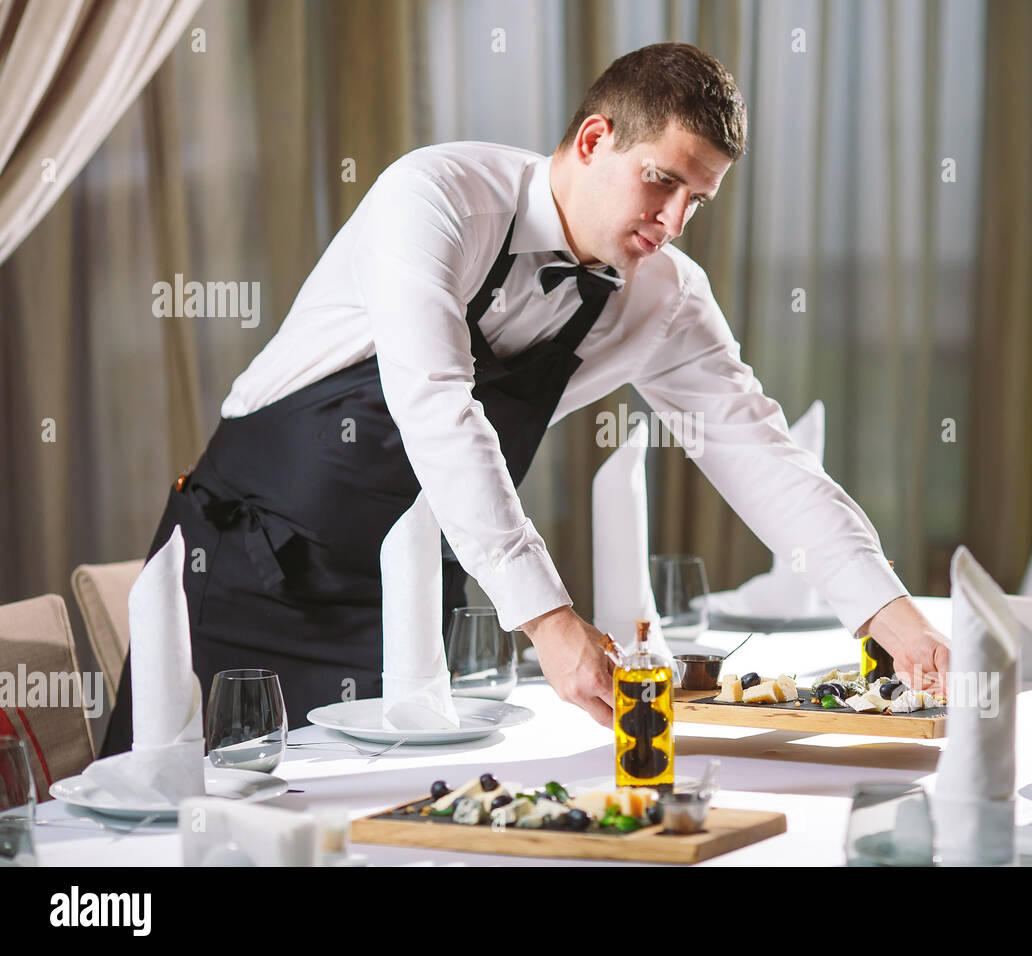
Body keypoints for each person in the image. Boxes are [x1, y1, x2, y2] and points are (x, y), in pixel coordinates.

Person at [103, 42, 948, 753]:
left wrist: (887, 612)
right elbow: (438, 405)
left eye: (698, 199)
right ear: (592, 140)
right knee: (158, 831)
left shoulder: (666, 295)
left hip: (406, 613)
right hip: (242, 573)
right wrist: (548, 618)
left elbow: (756, 449)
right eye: (661, 182)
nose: (675, 221)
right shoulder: (432, 197)